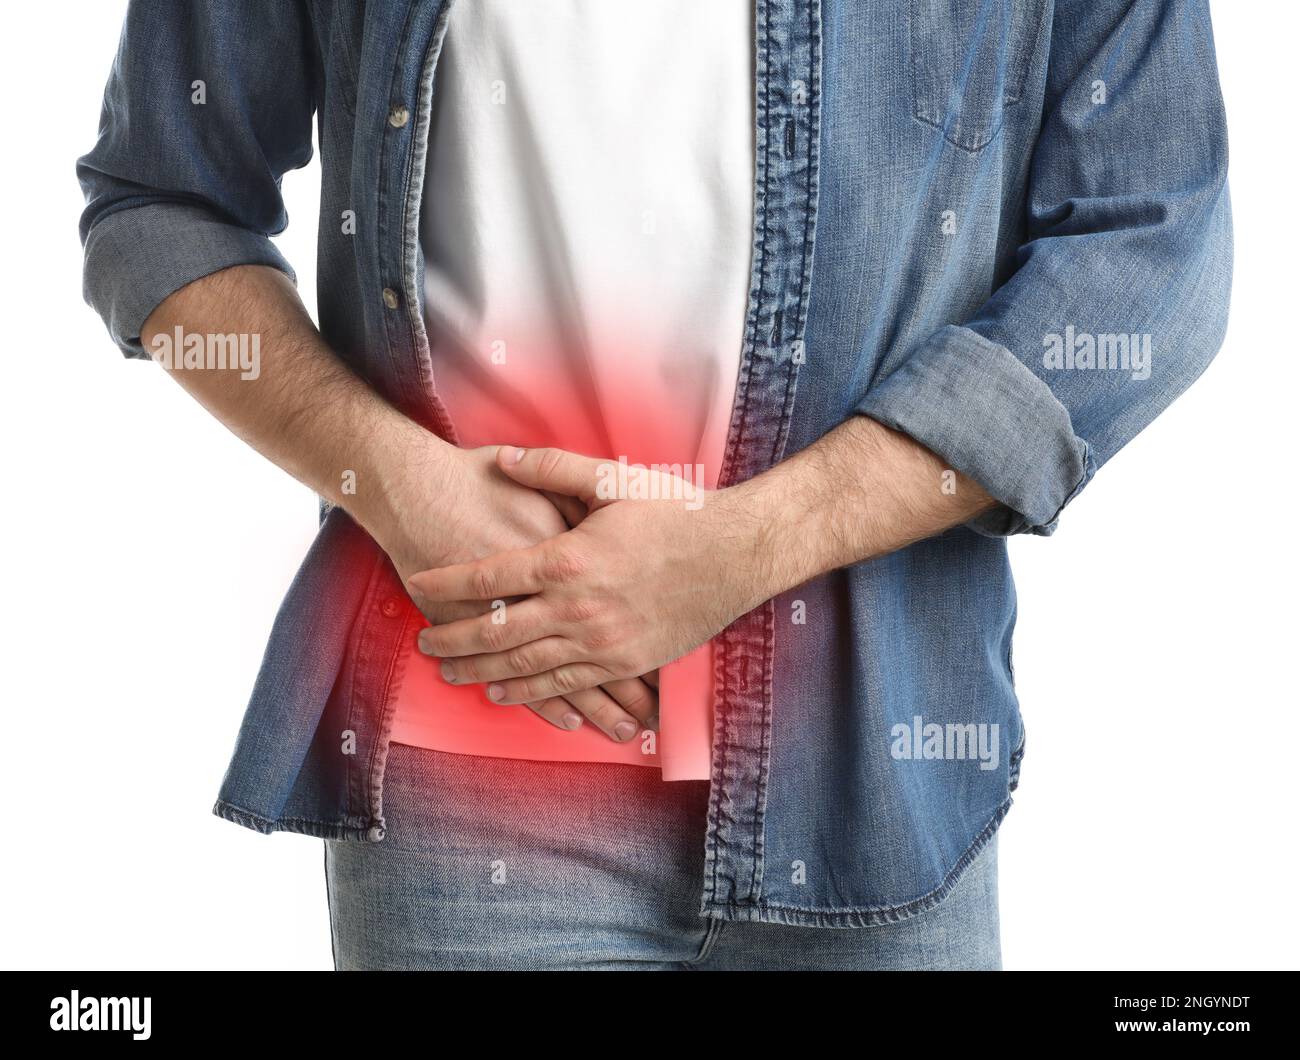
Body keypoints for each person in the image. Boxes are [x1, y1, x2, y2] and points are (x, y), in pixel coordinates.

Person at [78, 0, 1231, 970]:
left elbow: (1151, 247)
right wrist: (392, 479)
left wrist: (746, 548)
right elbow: (160, 204)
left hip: (874, 770)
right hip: (471, 761)